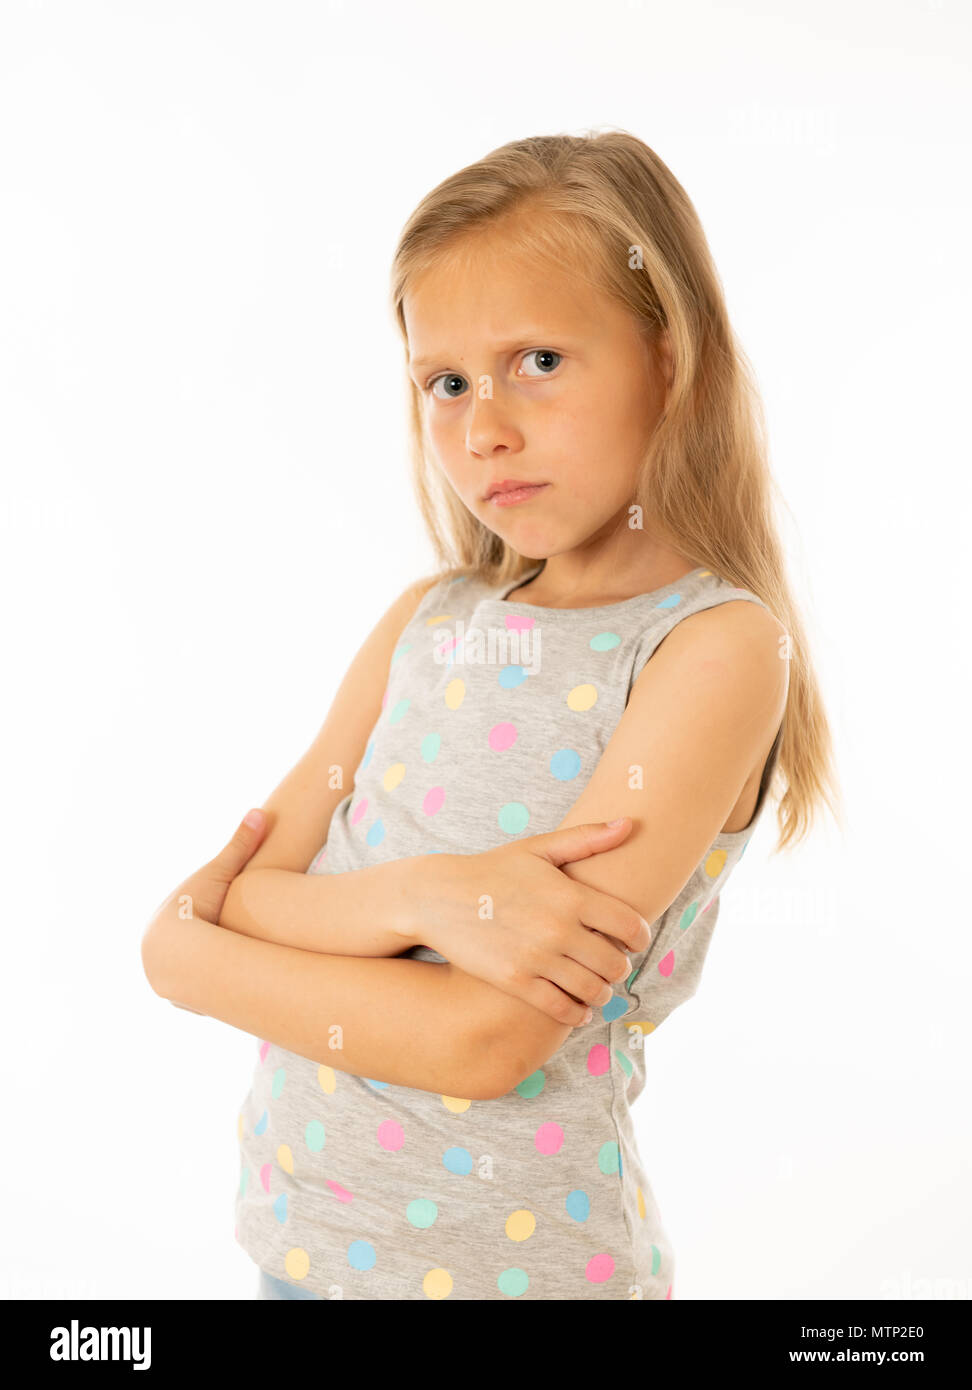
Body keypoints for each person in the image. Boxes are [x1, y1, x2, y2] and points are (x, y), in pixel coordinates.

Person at [142, 129, 839, 1300]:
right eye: (446, 381)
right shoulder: (428, 620)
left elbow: (485, 1040)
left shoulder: (706, 650)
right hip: (296, 1251)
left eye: (539, 361)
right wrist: (428, 898)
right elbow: (232, 890)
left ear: (669, 359)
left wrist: (191, 961)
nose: (484, 428)